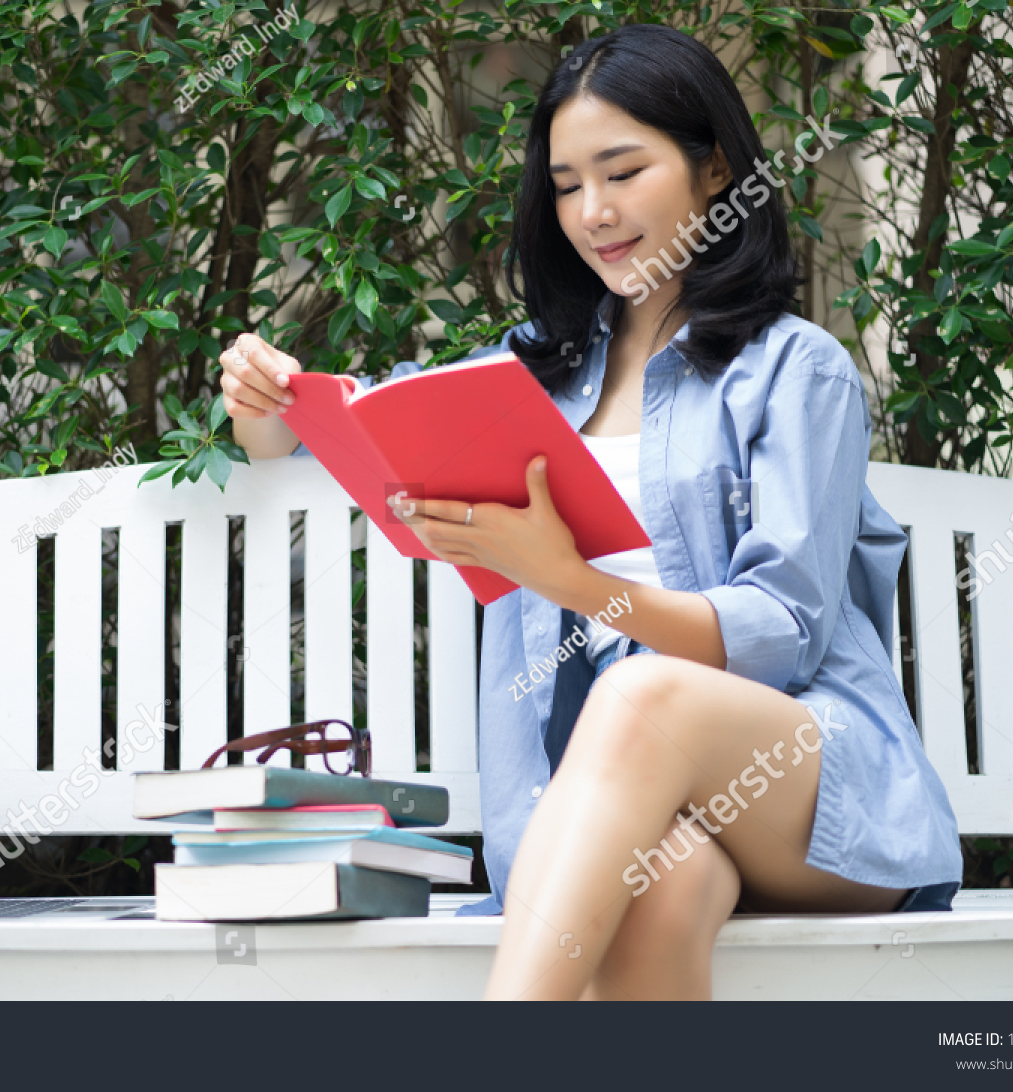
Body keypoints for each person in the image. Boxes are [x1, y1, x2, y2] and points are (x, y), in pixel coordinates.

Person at [217, 23, 961, 1000]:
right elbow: (336, 427)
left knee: (637, 693)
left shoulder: (794, 370)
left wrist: (574, 584)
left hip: (808, 784)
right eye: (567, 184)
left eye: (623, 171)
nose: (594, 212)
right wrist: (263, 398)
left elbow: (782, 633)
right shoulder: (529, 374)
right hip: (606, 811)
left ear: (714, 170)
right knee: (662, 889)